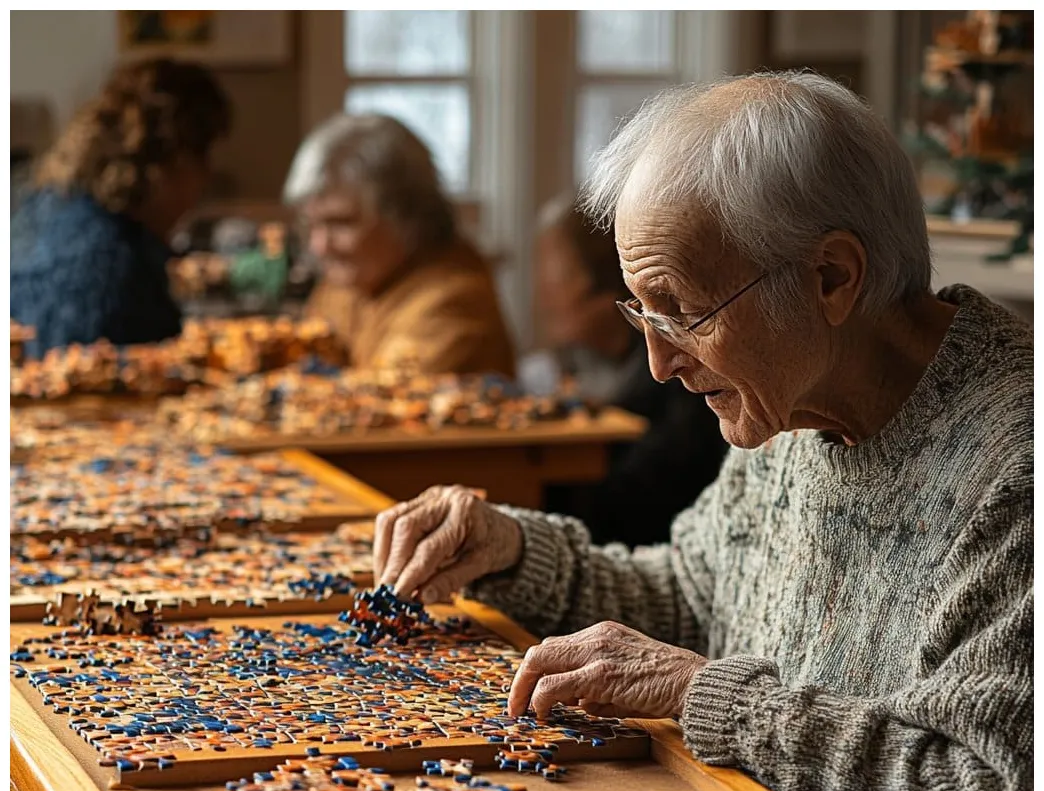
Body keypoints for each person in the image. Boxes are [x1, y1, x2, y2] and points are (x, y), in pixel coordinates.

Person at [371, 73, 1031, 791]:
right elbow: (690, 598)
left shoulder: (1017, 471)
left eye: (681, 310)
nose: (658, 361)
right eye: (642, 314)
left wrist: (709, 698)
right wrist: (512, 549)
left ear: (833, 278)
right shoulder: (800, 403)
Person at [536, 196, 728, 546]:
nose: (542, 292)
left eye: (556, 274)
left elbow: (628, 510)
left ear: (610, 283)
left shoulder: (680, 384)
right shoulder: (572, 370)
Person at [11, 59, 231, 357]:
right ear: (172, 161)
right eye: (202, 159)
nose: (204, 180)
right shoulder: (114, 263)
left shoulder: (51, 211)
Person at [283, 113, 516, 377]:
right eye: (311, 225)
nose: (319, 246)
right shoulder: (352, 283)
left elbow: (376, 407)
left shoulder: (453, 302)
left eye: (341, 223)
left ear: (407, 216)